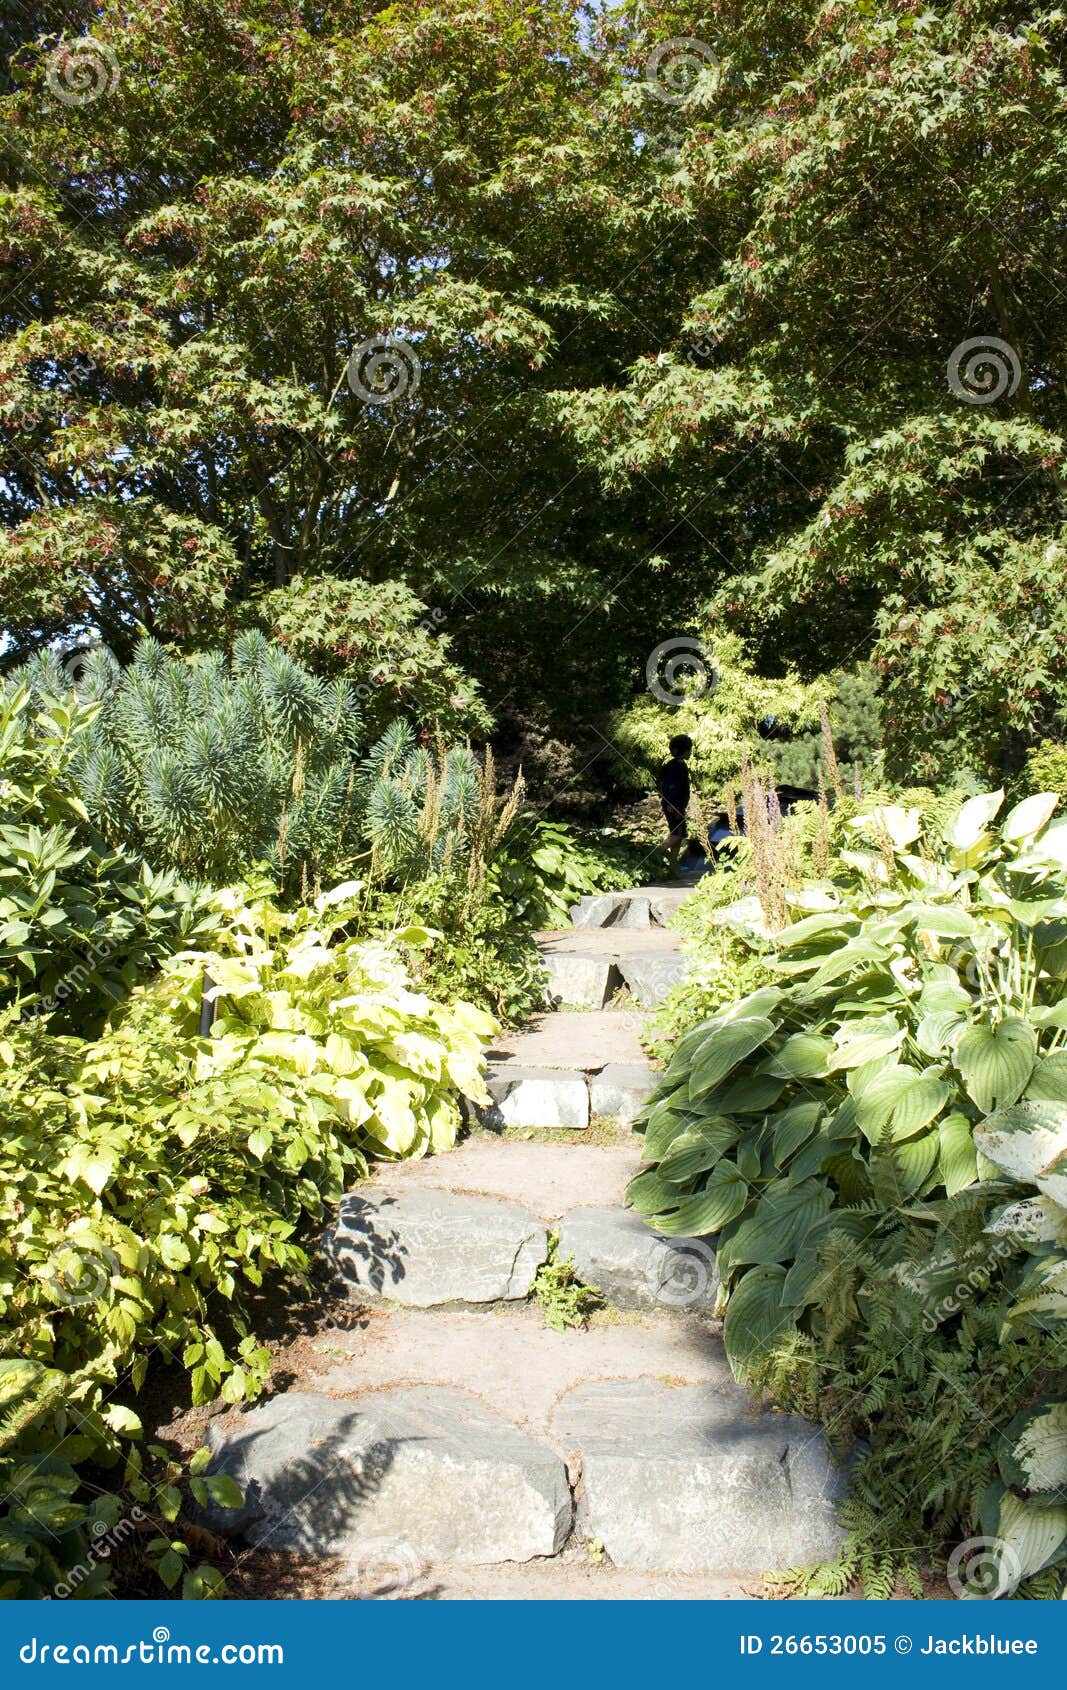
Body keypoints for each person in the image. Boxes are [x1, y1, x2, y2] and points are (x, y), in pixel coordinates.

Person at [657, 734, 692, 874]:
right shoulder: (678, 765)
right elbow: (672, 786)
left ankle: (673, 867)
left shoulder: (671, 765)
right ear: (683, 750)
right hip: (675, 805)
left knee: (677, 834)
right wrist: (672, 803)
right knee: (678, 834)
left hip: (674, 805)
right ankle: (657, 852)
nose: (690, 752)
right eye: (689, 749)